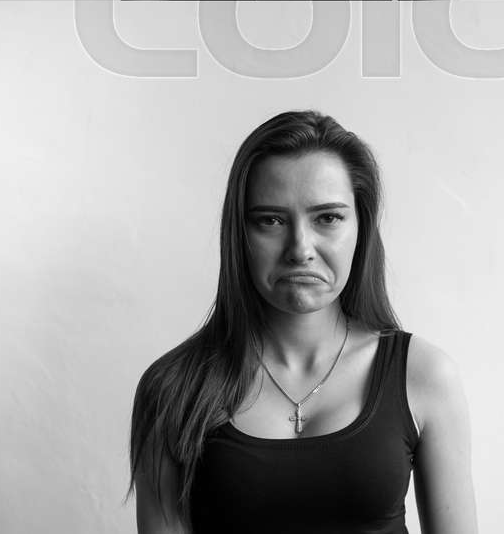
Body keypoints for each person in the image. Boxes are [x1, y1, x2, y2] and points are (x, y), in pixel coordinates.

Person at [129, 111, 477, 534]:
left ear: (361, 228)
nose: (300, 249)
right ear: (240, 235)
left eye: (327, 218)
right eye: (270, 220)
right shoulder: (173, 388)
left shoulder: (423, 375)